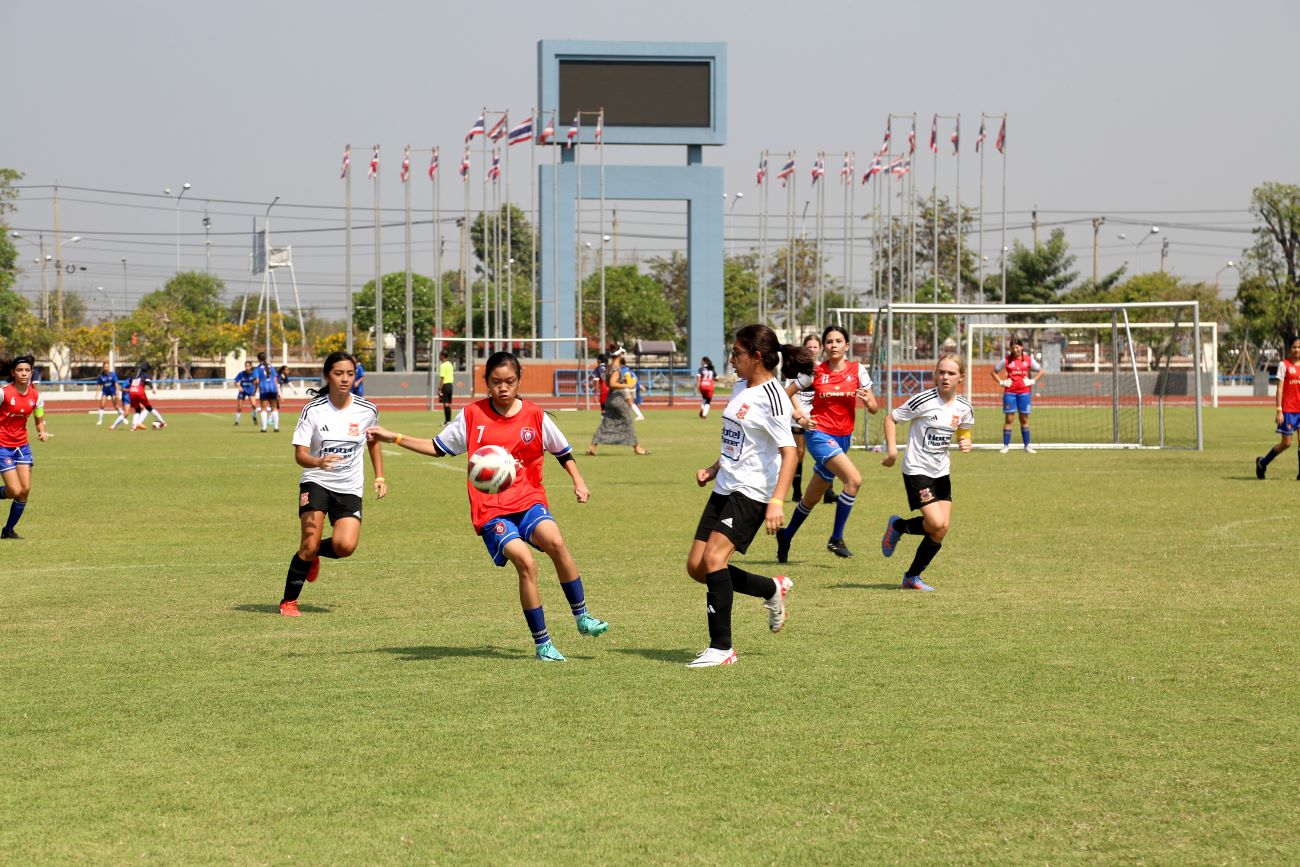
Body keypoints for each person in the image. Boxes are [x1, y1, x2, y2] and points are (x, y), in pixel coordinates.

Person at [367, 351, 609, 662]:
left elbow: (562, 452)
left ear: (519, 381)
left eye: (509, 381)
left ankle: (582, 616)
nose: (503, 388)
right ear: (487, 383)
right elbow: (438, 448)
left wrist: (579, 481)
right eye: (496, 382)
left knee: (556, 542)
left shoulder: (535, 415)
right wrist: (394, 437)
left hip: (528, 500)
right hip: (491, 509)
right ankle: (543, 644)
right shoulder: (471, 416)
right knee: (526, 563)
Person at [686, 325, 810, 667]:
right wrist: (713, 469)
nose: (732, 359)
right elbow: (738, 439)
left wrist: (777, 501)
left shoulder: (773, 397)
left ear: (757, 357)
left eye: (737, 353)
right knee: (698, 568)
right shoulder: (742, 386)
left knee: (713, 560)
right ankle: (771, 588)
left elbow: (790, 452)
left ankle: (722, 648)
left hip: (753, 492)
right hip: (725, 484)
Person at [279, 352, 386, 616]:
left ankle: (315, 554)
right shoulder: (313, 410)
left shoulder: (367, 410)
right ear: (328, 375)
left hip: (349, 487)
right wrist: (318, 462)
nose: (345, 379)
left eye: (350, 374)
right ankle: (288, 602)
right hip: (316, 482)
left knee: (345, 546)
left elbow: (373, 441)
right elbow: (300, 455)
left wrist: (380, 476)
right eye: (339, 373)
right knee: (308, 542)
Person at [775, 325, 878, 563]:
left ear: (846, 346)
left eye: (838, 341)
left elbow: (873, 408)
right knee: (854, 480)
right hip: (820, 435)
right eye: (829, 341)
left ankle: (786, 536)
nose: (834, 345)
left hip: (843, 439)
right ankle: (836, 538)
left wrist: (868, 401)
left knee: (810, 499)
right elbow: (785, 394)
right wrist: (800, 416)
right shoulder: (815, 372)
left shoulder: (858, 371)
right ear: (824, 347)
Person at [879, 354, 975, 591]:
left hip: (941, 471)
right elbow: (890, 419)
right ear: (935, 374)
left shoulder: (964, 407)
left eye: (951, 373)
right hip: (917, 469)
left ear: (961, 377)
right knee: (935, 521)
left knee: (941, 529)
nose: (945, 377)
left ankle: (912, 577)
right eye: (941, 372)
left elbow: (964, 430)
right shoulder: (923, 400)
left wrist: (966, 442)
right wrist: (892, 451)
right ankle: (898, 527)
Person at [0, 355, 49, 539]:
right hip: (2, 445)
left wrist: (42, 431)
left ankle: (8, 530)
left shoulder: (36, 396)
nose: (24, 373)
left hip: (22, 446)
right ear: (13, 373)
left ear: (31, 373)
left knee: (24, 491)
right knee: (14, 490)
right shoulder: (4, 393)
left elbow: (39, 419)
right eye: (20, 370)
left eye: (27, 370)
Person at [585, 349, 649, 456]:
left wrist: (620, 382)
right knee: (628, 421)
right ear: (619, 355)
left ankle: (592, 447)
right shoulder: (616, 368)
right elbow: (612, 383)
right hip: (617, 399)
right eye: (622, 353)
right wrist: (627, 385)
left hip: (610, 398)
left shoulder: (609, 367)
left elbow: (607, 382)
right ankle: (637, 448)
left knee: (606, 423)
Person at [1255, 336, 1300, 480]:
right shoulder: (1284, 365)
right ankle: (1262, 462)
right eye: (1294, 347)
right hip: (1288, 410)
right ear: (1289, 348)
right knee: (1286, 443)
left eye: (1299, 347)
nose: (1297, 350)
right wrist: (1279, 410)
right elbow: (1279, 389)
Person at [991, 338, 1042, 454]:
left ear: (1021, 347)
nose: (1015, 349)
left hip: (1024, 393)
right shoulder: (1007, 360)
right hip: (1010, 393)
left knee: (1024, 419)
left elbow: (1040, 370)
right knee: (1009, 419)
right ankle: (1005, 446)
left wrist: (1033, 381)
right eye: (1013, 348)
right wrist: (1001, 382)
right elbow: (993, 372)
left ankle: (1027, 446)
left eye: (1017, 347)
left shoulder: (1028, 360)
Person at [788, 334, 821, 501]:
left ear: (820, 349)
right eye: (809, 347)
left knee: (822, 453)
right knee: (799, 453)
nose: (812, 350)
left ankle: (828, 492)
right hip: (799, 417)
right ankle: (796, 491)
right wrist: (798, 409)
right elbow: (790, 392)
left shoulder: (823, 368)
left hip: (818, 418)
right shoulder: (797, 368)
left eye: (815, 347)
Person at [114, 364, 166, 431]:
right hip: (139, 392)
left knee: (137, 410)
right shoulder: (145, 375)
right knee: (149, 409)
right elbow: (148, 381)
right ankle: (162, 422)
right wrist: (152, 388)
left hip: (132, 393)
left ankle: (133, 427)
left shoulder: (135, 375)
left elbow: (131, 382)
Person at [254, 351, 283, 433]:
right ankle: (276, 428)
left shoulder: (257, 369)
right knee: (274, 408)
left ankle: (264, 428)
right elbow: (275, 379)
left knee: (263, 409)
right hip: (273, 389)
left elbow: (257, 381)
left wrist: (255, 390)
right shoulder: (271, 367)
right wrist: (279, 392)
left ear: (258, 359)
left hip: (264, 389)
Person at [233, 360, 258, 426]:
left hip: (250, 391)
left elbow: (257, 382)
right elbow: (235, 381)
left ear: (250, 366)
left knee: (254, 405)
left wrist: (256, 389)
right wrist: (239, 386)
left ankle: (254, 417)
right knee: (240, 407)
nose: (247, 367)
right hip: (243, 391)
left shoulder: (254, 374)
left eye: (248, 366)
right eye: (246, 366)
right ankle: (237, 421)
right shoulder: (241, 373)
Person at [438, 349, 455, 425]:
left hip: (445, 385)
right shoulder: (450, 364)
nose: (439, 357)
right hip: (450, 385)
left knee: (445, 404)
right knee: (447, 403)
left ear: (442, 355)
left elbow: (442, 378)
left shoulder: (443, 365)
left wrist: (439, 388)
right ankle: (448, 420)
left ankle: (447, 421)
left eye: (440, 355)